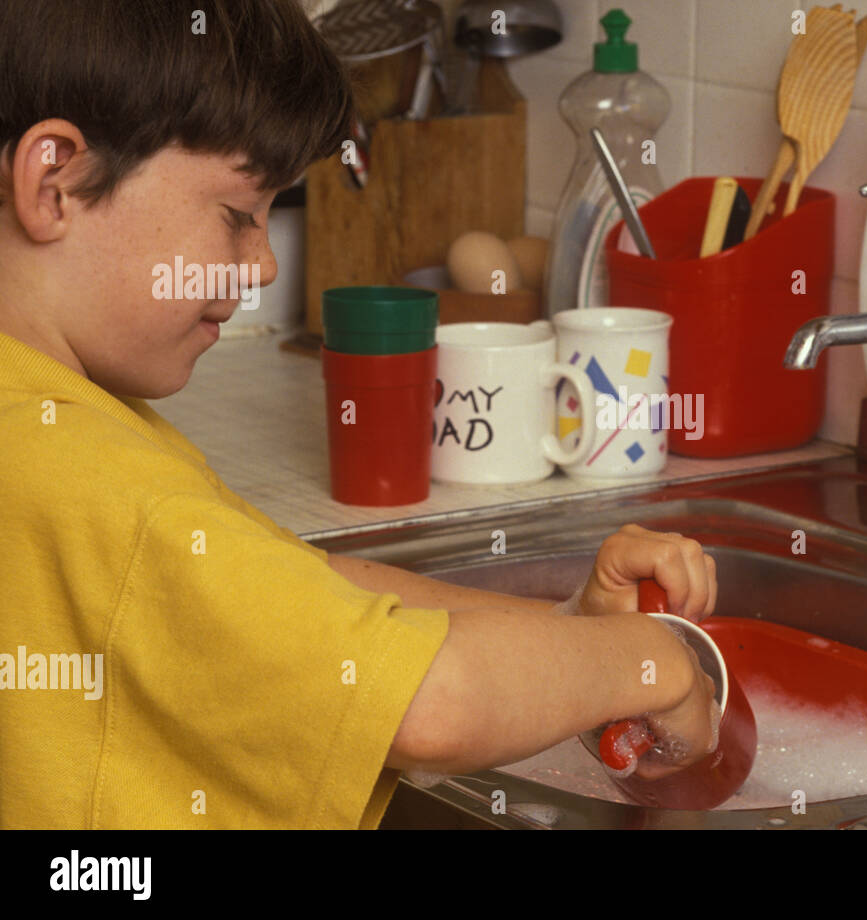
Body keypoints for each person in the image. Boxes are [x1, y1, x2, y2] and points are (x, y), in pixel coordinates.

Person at [0, 0, 718, 829]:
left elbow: (303, 593)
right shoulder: (96, 476)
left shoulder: (53, 419)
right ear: (54, 182)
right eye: (236, 216)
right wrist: (651, 664)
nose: (263, 264)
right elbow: (428, 704)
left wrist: (570, 628)